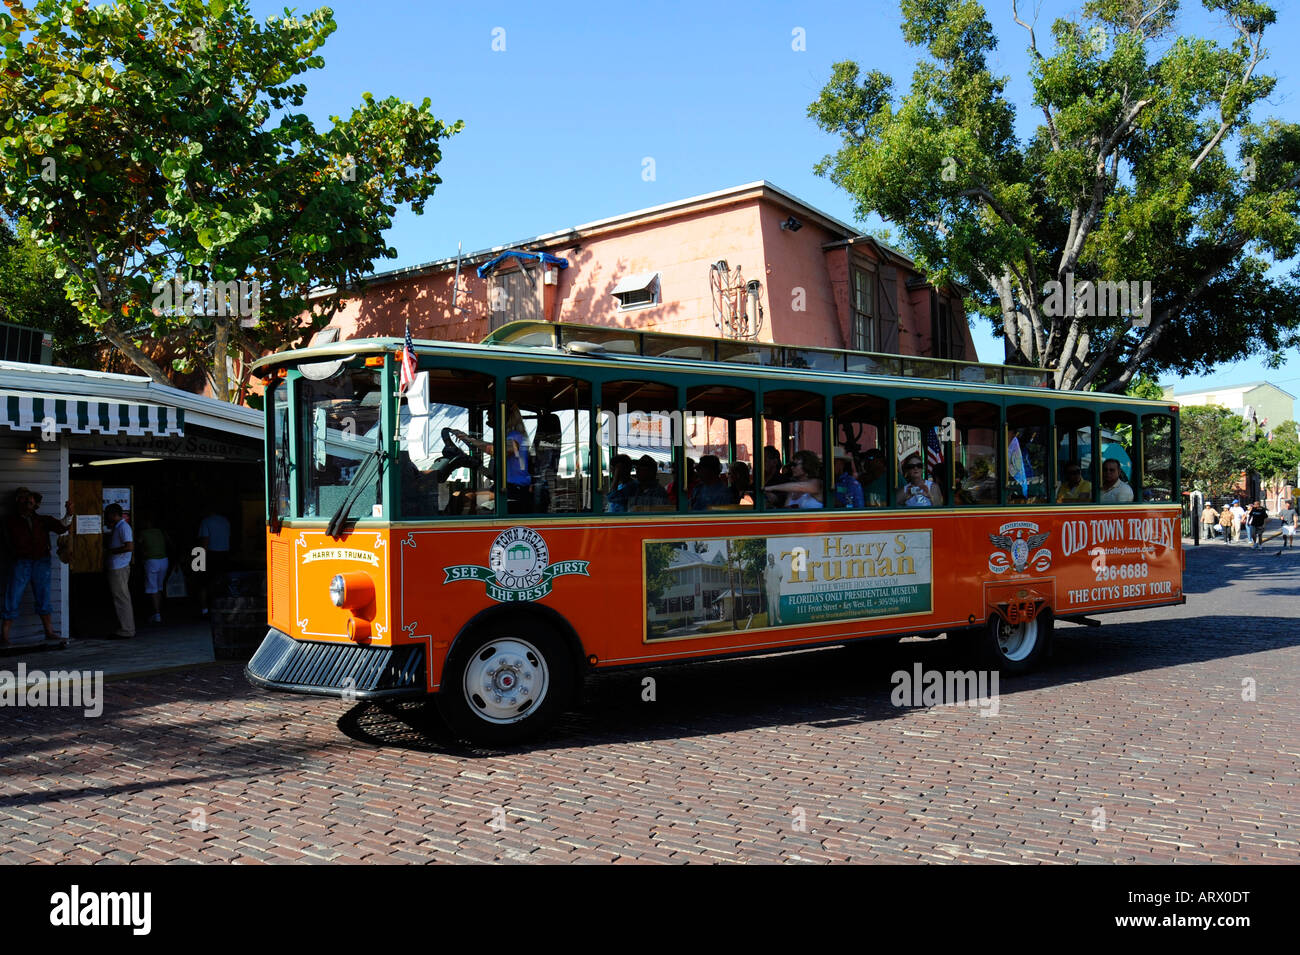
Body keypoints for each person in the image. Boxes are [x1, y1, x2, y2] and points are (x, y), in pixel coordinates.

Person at [1, 487, 73, 646]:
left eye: (30, 500)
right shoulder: (9, 521)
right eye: (24, 499)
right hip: (21, 561)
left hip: (41, 561)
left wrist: (69, 514)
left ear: (35, 504)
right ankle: (4, 636)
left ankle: (49, 632)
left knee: (43, 596)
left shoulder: (42, 520)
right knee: (12, 596)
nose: (28, 502)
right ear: (17, 502)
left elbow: (61, 527)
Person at [104, 502, 135, 638]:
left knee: (122, 598)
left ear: (113, 514)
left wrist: (111, 551)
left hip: (119, 567)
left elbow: (129, 547)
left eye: (107, 515)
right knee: (121, 597)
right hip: (117, 567)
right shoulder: (118, 527)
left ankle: (127, 629)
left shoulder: (123, 527)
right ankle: (125, 627)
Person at [136, 512, 171, 624]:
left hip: (151, 561)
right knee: (159, 587)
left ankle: (157, 614)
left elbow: (137, 545)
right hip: (164, 560)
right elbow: (169, 543)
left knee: (153, 588)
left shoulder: (143, 533)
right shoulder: (161, 532)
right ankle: (158, 612)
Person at [197, 508, 231, 616]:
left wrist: (199, 559)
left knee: (204, 582)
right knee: (222, 582)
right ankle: (222, 607)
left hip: (210, 555)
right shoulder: (225, 521)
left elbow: (205, 542)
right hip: (225, 554)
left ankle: (205, 609)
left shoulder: (206, 521)